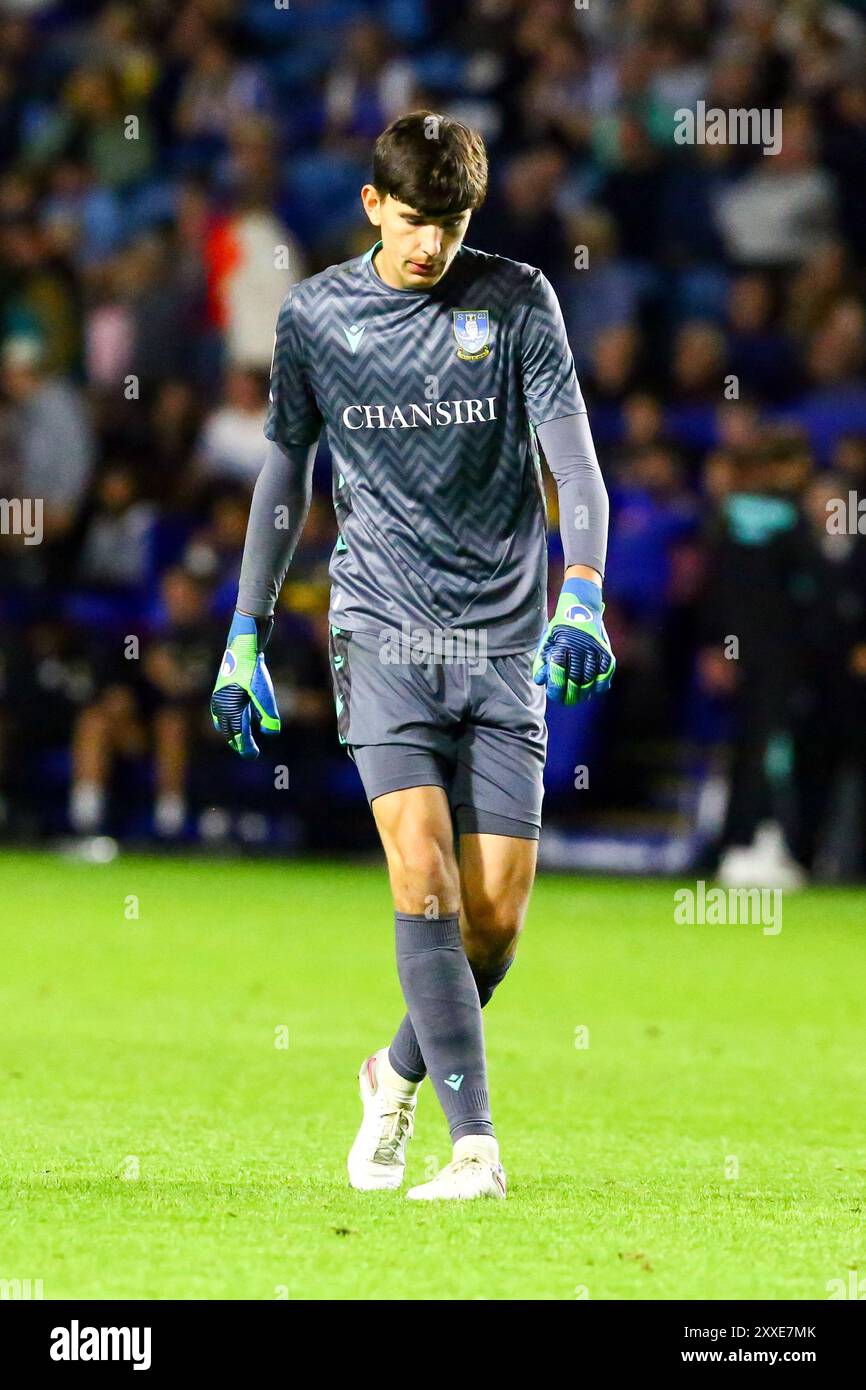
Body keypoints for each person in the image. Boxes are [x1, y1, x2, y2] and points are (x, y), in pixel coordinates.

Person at [210, 112, 615, 1201]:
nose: (430, 243)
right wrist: (244, 631)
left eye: (451, 222)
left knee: (492, 928)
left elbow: (571, 461)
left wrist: (581, 588)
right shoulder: (317, 317)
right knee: (421, 876)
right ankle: (471, 1144)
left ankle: (390, 1071)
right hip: (380, 630)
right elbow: (284, 476)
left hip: (501, 637)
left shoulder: (518, 300)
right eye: (414, 219)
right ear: (370, 204)